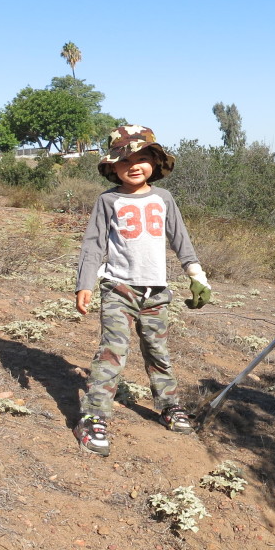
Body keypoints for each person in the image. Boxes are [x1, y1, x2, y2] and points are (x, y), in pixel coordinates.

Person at [72, 124, 212, 456]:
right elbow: (93, 245)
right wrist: (85, 283)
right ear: (112, 166)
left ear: (155, 162)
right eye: (125, 160)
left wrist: (197, 275)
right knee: (112, 351)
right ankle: (93, 417)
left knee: (157, 351)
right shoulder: (108, 200)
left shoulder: (164, 199)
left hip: (157, 292)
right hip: (118, 289)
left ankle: (169, 405)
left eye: (142, 158)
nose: (133, 166)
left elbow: (181, 240)